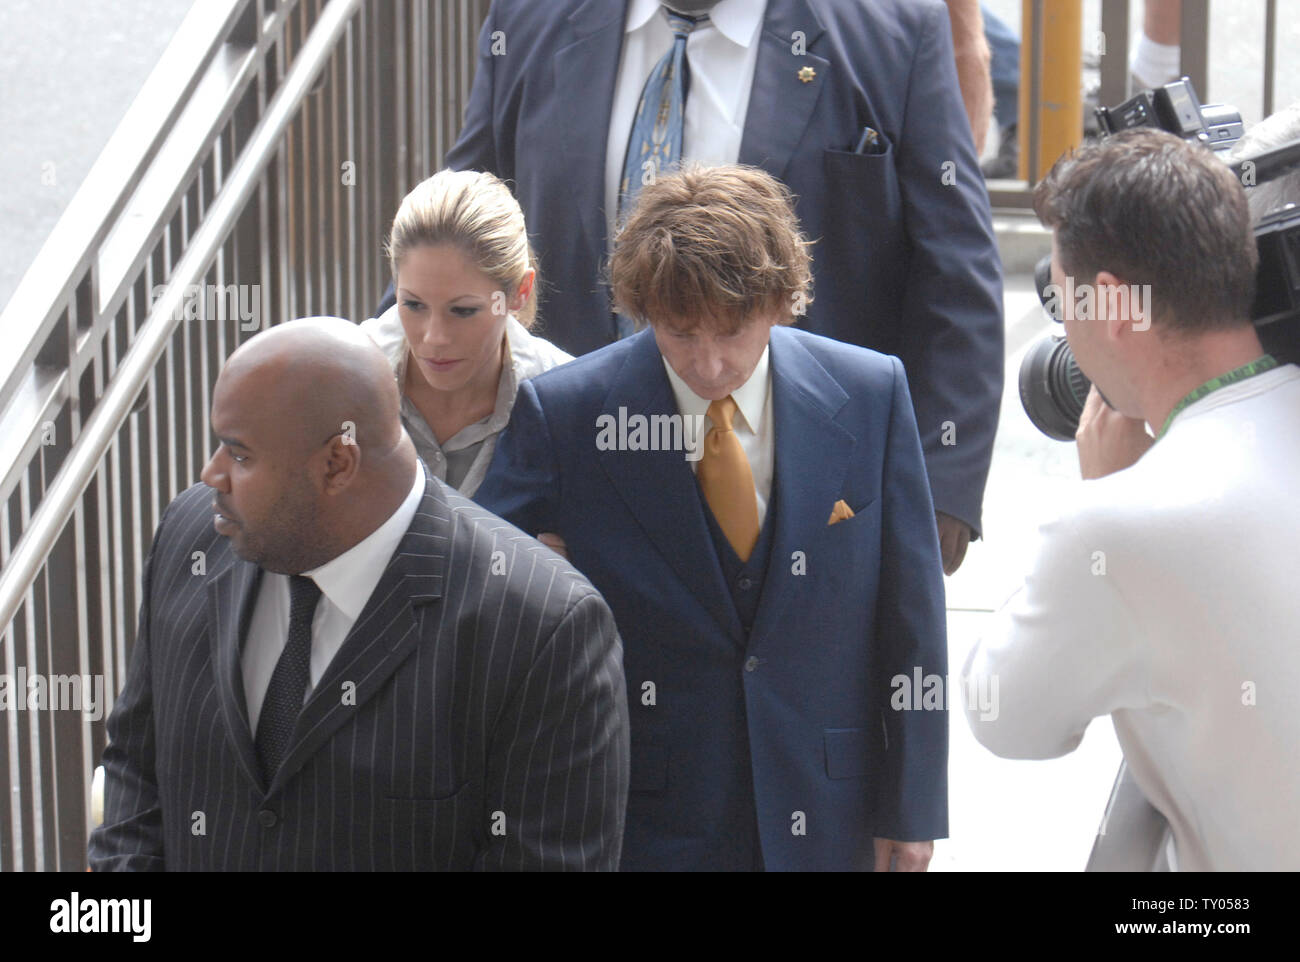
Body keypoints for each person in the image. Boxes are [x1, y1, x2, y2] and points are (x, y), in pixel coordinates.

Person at [388, 0, 1005, 575]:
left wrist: (944, 486)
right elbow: (458, 226)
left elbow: (954, 260)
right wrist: (363, 371)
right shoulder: (531, 18)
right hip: (579, 495)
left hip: (799, 498)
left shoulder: (892, 29)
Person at [475, 166, 949, 872]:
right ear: (642, 308)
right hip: (644, 818)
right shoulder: (566, 414)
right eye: (679, 330)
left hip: (828, 812)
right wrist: (534, 583)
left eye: (733, 329)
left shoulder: (872, 393)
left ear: (784, 301)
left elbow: (913, 619)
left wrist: (913, 809)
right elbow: (477, 595)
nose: (710, 361)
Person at [88, 318, 629, 871]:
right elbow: (135, 767)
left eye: (240, 455)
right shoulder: (193, 536)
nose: (211, 476)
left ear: (337, 464)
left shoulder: (541, 625)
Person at [962, 129, 1300, 871]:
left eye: (1064, 295)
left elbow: (1003, 718)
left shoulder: (1118, 525)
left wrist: (1109, 495)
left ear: (1113, 303)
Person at [361, 170, 571, 498]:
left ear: (520, 291)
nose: (434, 337)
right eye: (414, 305)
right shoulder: (341, 388)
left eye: (462, 311)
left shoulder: (568, 402)